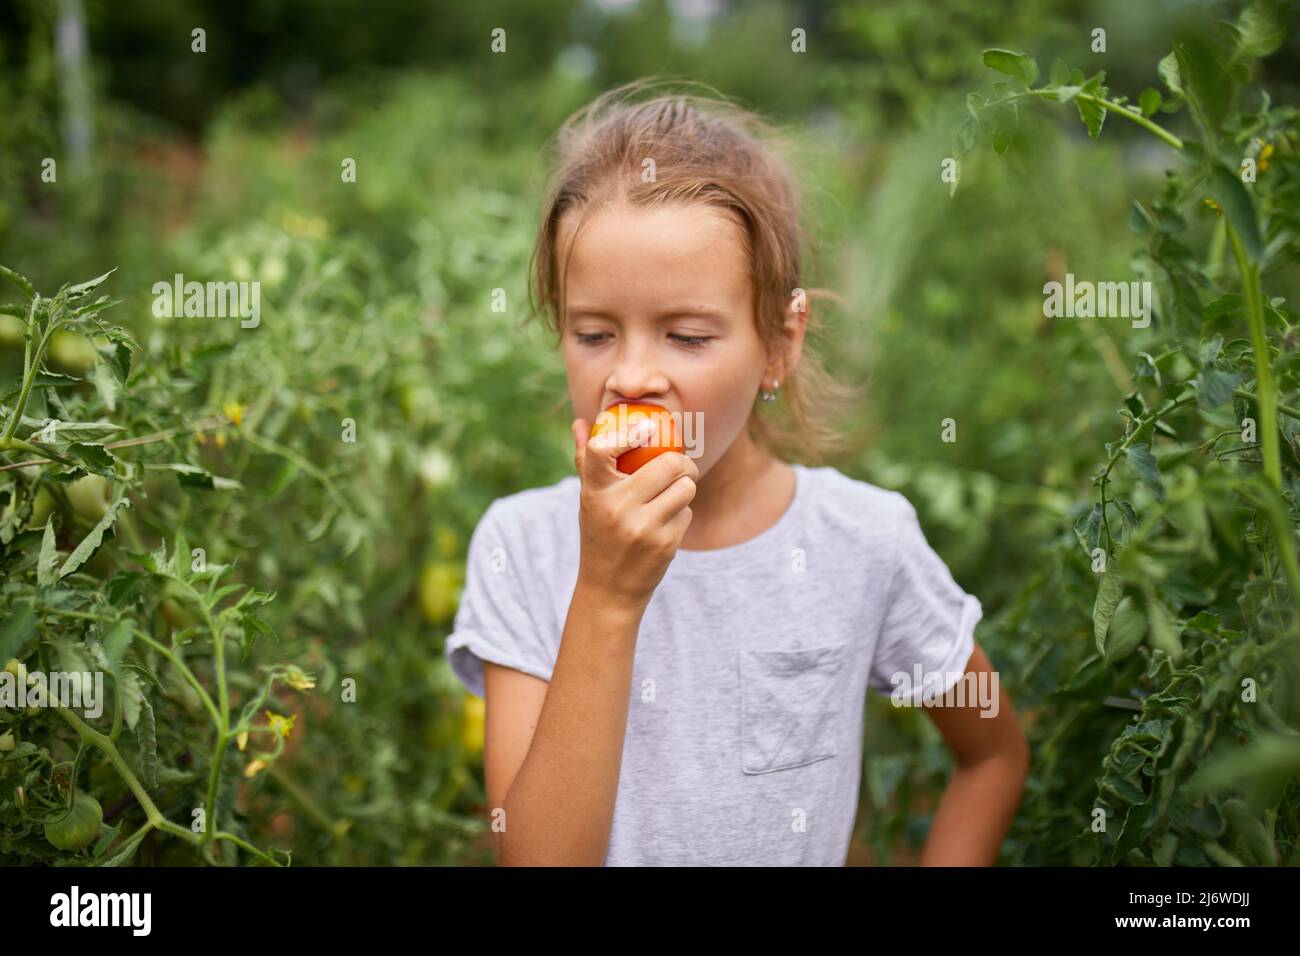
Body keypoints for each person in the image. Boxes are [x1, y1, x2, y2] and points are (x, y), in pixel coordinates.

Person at [444, 80, 1029, 866]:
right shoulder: (524, 547)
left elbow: (992, 754)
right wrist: (608, 596)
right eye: (593, 333)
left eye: (685, 336)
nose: (632, 376)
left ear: (780, 344)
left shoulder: (861, 541)